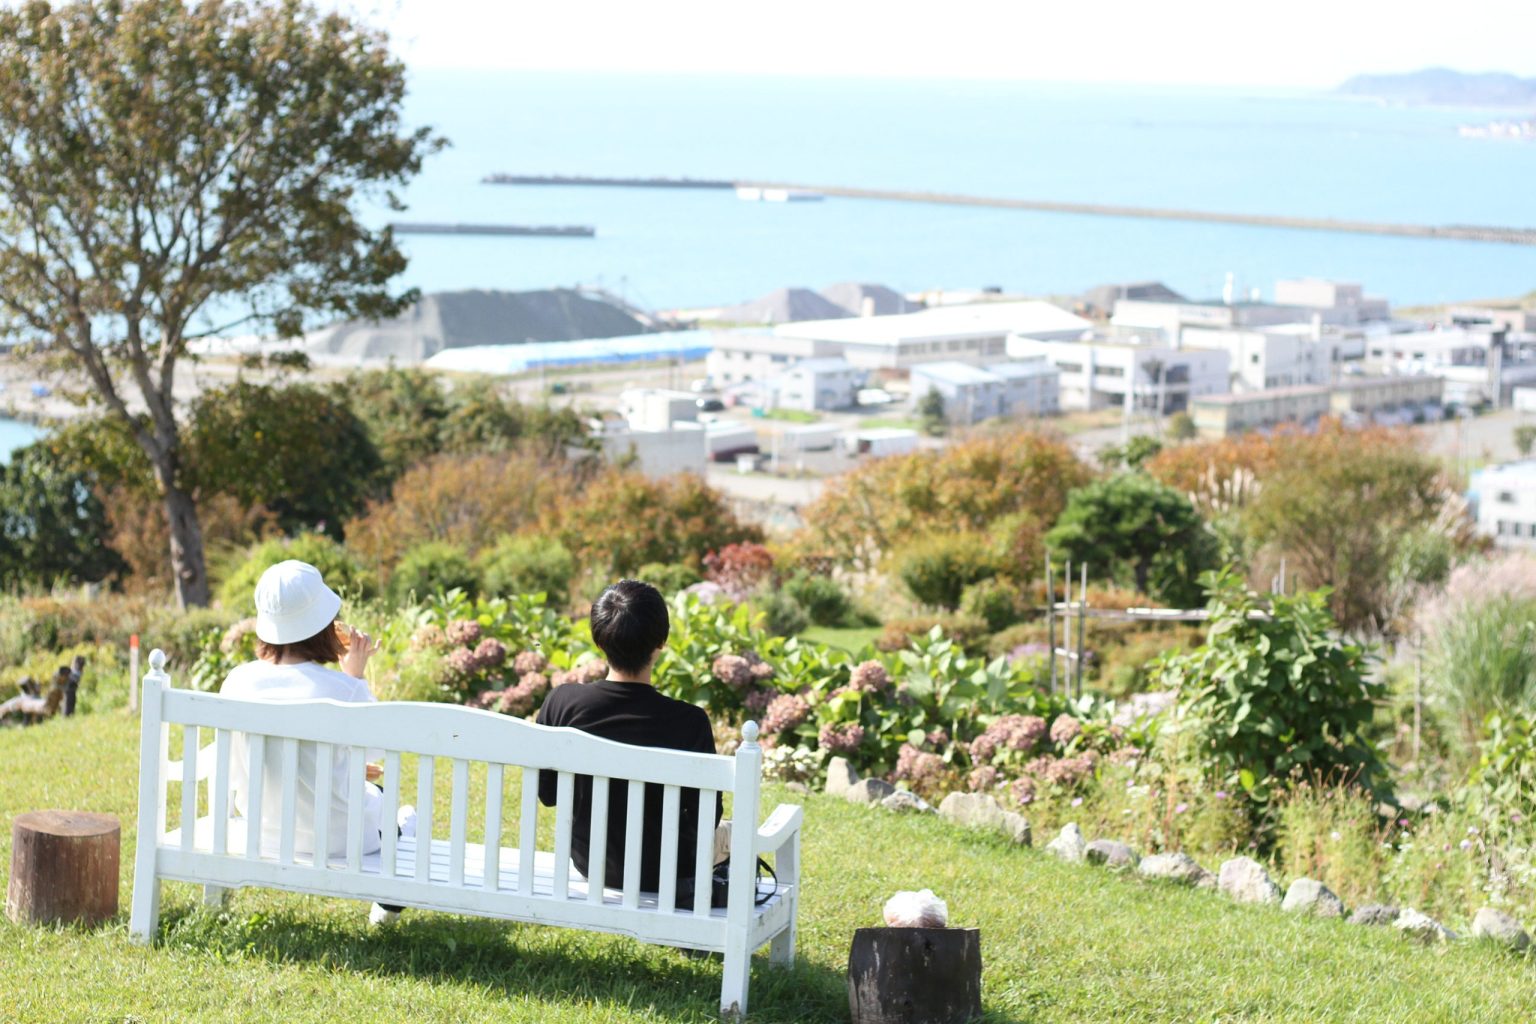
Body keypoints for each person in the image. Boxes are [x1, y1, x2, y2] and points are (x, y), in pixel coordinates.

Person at [221, 559, 412, 925]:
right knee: (398, 811)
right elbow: (376, 750)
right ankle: (391, 890)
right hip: (341, 840)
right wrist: (355, 679)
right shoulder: (341, 689)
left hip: (262, 830)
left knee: (381, 802)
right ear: (323, 627)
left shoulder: (237, 681)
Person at [537, 579, 722, 904]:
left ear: (598, 638)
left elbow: (548, 794)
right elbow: (706, 818)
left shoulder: (561, 703)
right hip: (666, 871)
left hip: (592, 866)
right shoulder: (689, 722)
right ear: (661, 641)